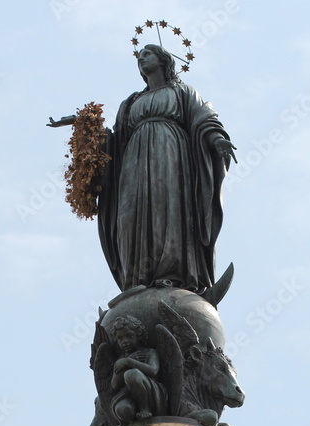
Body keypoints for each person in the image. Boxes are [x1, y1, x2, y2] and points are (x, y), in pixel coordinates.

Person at [97, 45, 236, 292]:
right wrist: (86, 127)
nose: (141, 59)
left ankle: (172, 274)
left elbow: (204, 119)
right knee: (129, 214)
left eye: (147, 54)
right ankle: (136, 279)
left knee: (167, 207)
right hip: (134, 161)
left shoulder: (182, 91)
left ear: (163, 60)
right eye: (139, 57)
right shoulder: (131, 102)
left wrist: (217, 140)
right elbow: (116, 143)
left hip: (171, 155)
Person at [110, 316, 167, 425]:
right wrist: (127, 361)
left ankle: (144, 408)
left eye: (129, 336)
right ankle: (133, 420)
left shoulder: (149, 352)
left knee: (131, 374)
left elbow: (153, 370)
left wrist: (129, 362)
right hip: (128, 394)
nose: (125, 341)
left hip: (151, 393)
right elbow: (114, 384)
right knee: (123, 410)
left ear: (139, 335)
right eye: (120, 339)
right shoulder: (121, 360)